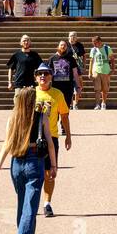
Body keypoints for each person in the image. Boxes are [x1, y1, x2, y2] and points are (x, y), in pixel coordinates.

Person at [0, 87, 57, 234]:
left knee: (23, 203)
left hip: (17, 163)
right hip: (35, 161)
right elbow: (50, 143)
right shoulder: (41, 117)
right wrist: (54, 165)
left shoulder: (13, 118)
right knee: (31, 205)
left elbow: (6, 144)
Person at [34, 63, 72, 217]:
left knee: (50, 173)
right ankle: (32, 202)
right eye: (40, 73)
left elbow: (64, 115)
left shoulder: (57, 94)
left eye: (46, 73)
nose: (43, 76)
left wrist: (68, 135)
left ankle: (47, 203)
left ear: (51, 77)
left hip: (51, 138)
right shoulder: (30, 93)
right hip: (32, 138)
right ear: (36, 77)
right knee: (33, 173)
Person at [48, 39, 80, 112]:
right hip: (55, 87)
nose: (63, 46)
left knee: (65, 110)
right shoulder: (52, 59)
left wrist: (78, 86)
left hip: (68, 88)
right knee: (55, 109)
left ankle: (63, 123)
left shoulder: (71, 59)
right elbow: (49, 73)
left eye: (65, 45)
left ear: (67, 47)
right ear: (58, 47)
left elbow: (75, 73)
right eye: (61, 45)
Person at [89, 35, 113, 109]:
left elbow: (112, 59)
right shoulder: (93, 50)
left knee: (105, 89)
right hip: (96, 70)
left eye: (95, 43)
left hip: (106, 71)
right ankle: (97, 104)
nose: (94, 45)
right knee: (97, 89)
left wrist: (113, 69)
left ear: (100, 42)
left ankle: (104, 103)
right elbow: (91, 61)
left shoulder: (107, 48)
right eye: (93, 43)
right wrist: (90, 72)